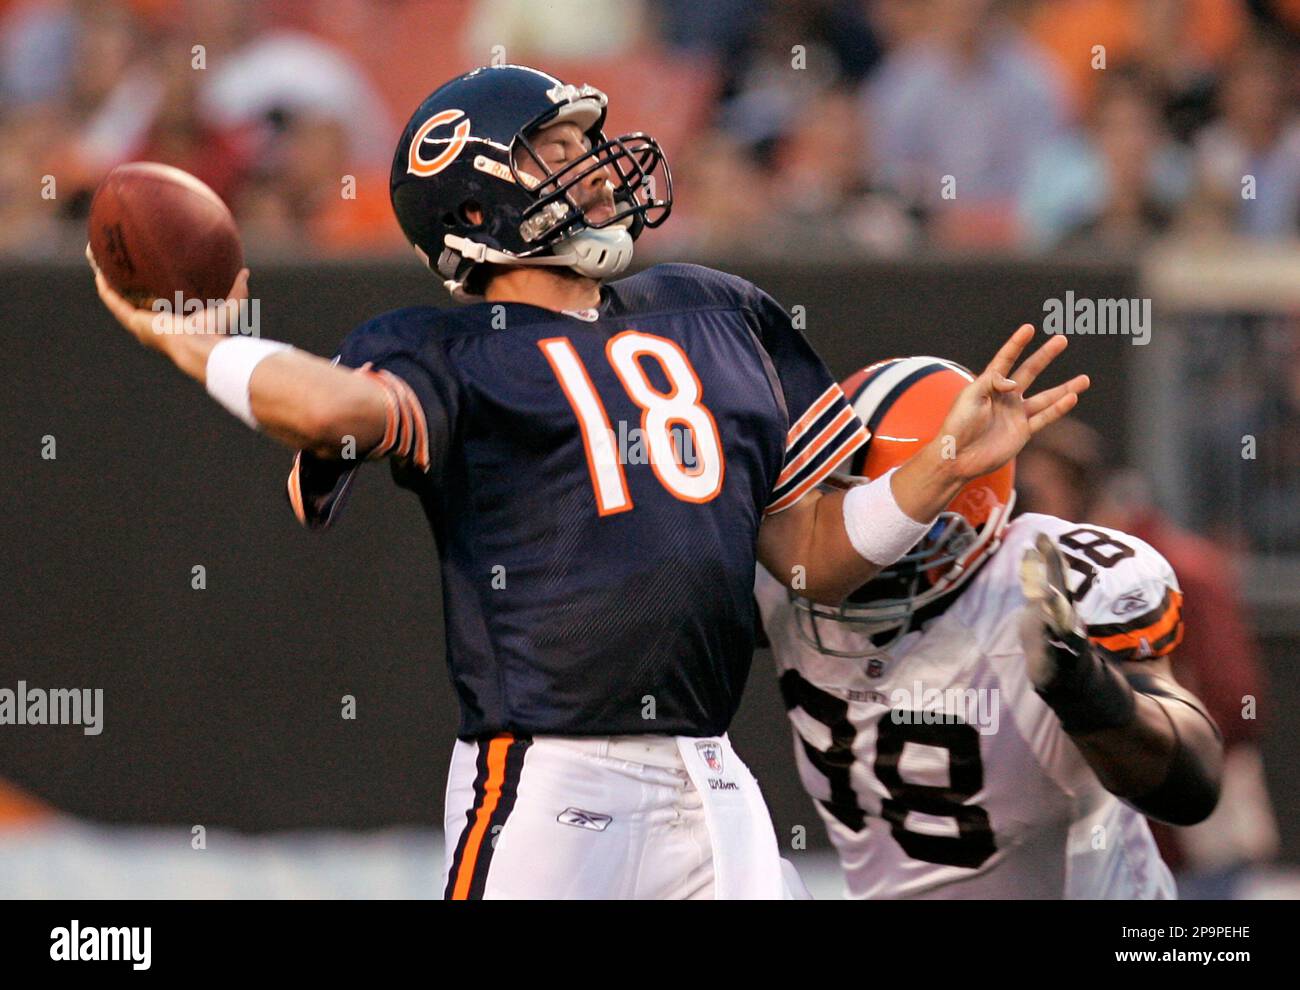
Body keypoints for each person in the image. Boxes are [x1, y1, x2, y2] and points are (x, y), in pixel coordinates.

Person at [91, 65, 1087, 899]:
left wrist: (931, 473)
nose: (594, 168)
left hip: (709, 772)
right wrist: (201, 343)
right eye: (554, 151)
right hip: (548, 773)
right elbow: (326, 413)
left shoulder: (718, 309)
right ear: (473, 201)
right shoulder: (447, 347)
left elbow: (809, 559)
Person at [757, 357, 1221, 898]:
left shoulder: (1048, 580)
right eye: (831, 504)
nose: (847, 538)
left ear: (967, 513)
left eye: (878, 511)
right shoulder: (781, 576)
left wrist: (1089, 692)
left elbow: (1192, 786)